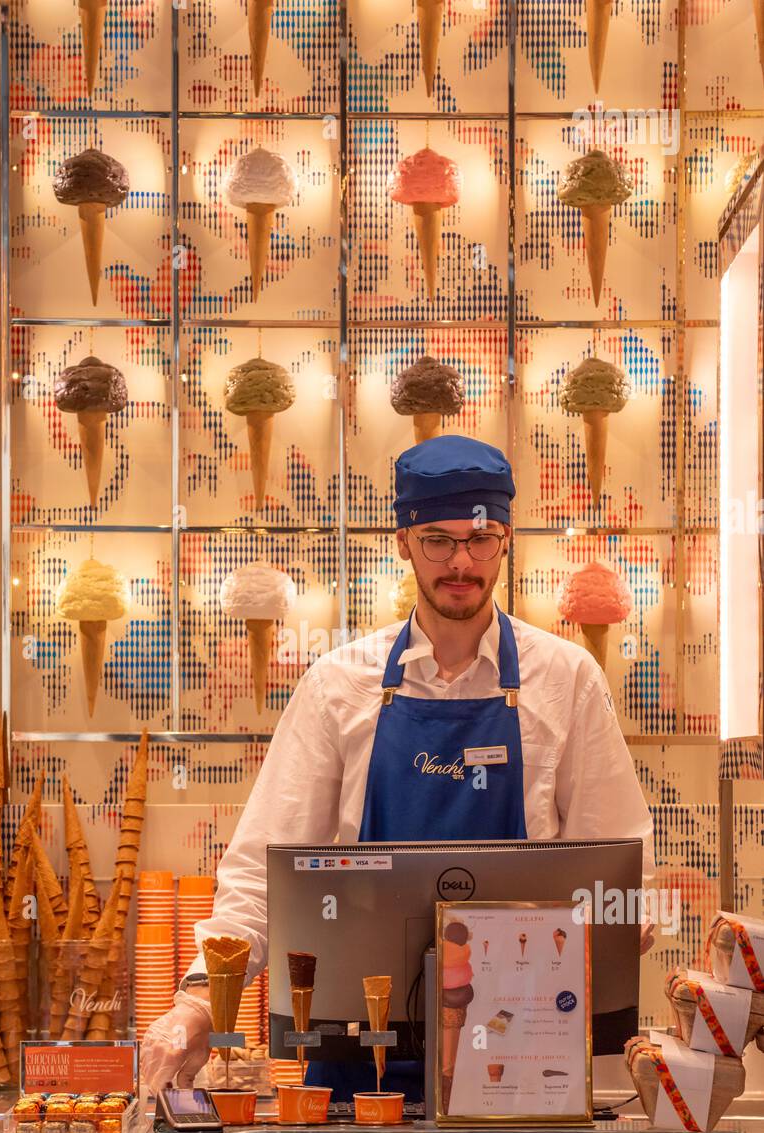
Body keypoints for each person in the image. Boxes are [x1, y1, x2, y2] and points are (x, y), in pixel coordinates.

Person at [142, 436, 655, 1096]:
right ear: (403, 542)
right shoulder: (338, 684)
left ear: (505, 540)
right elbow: (258, 868)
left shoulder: (566, 678)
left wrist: (622, 923)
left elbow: (617, 863)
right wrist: (195, 1003)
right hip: (358, 1054)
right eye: (436, 540)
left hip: (523, 1046)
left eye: (480, 537)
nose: (460, 561)